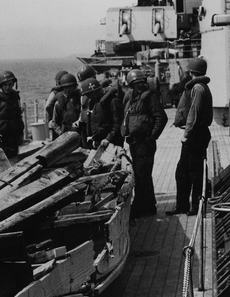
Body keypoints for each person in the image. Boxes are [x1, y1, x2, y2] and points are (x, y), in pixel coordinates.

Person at [167, 57, 213, 216]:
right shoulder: (199, 87)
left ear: (191, 70)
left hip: (196, 135)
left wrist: (186, 134)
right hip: (195, 134)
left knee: (195, 173)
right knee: (182, 172)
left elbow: (193, 113)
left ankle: (196, 207)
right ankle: (182, 206)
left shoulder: (198, 88)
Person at [121, 69, 167, 217]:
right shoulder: (130, 98)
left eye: (142, 83)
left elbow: (161, 118)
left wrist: (152, 137)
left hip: (145, 142)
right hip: (134, 142)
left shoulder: (150, 97)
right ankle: (149, 206)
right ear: (131, 85)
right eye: (136, 84)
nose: (140, 86)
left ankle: (140, 207)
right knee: (143, 175)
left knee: (142, 175)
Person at [80, 77, 123, 149]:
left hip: (112, 142)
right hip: (99, 142)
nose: (88, 97)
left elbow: (118, 123)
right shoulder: (95, 102)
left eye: (88, 95)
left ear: (93, 93)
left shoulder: (113, 101)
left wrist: (108, 138)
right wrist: (94, 138)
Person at [45, 70, 69, 140]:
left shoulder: (55, 92)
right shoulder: (69, 91)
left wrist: (52, 117)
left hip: (58, 123)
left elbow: (48, 105)